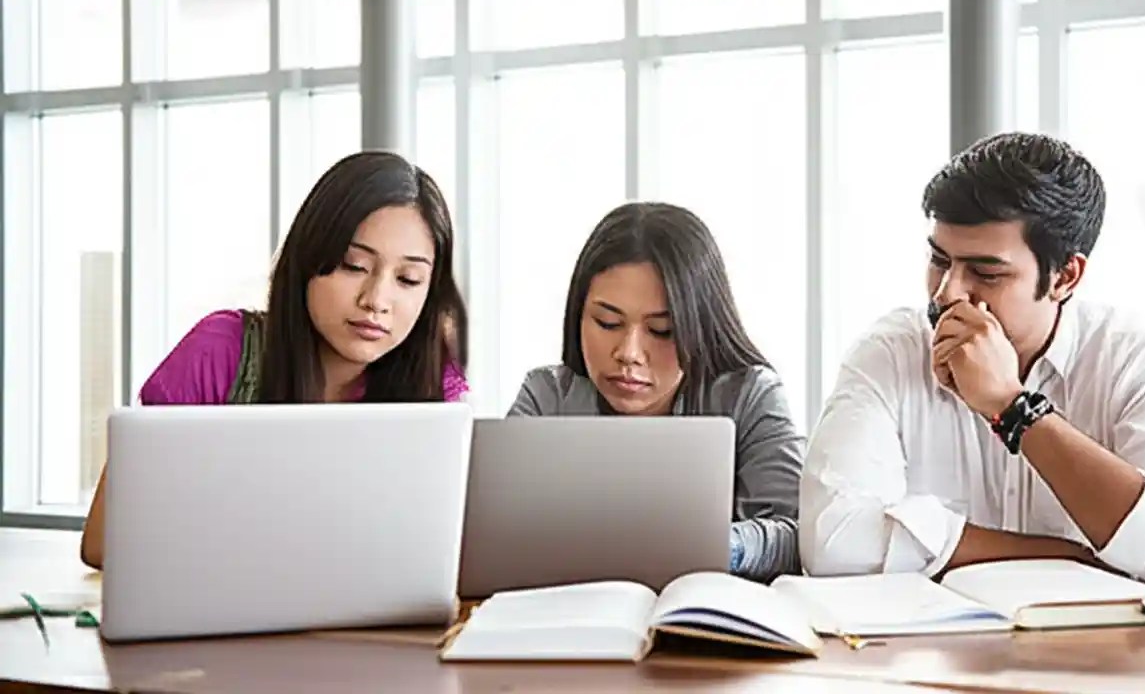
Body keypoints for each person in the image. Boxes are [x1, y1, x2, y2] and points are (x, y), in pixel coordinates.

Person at [800, 132, 1145, 605]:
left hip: (1100, 671)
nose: (947, 293)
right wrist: (1070, 556)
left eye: (986, 273)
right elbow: (833, 543)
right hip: (935, 668)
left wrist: (1014, 408)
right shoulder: (890, 352)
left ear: (1065, 277)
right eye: (939, 259)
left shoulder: (1137, 361)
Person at [80, 151, 470, 569]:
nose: (376, 300)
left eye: (408, 279)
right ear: (306, 259)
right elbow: (104, 542)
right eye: (353, 266)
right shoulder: (222, 350)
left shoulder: (437, 387)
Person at [509, 202, 804, 582]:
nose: (629, 353)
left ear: (700, 325)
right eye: (608, 322)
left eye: (662, 330)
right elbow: (497, 530)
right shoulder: (546, 398)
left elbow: (795, 535)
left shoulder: (749, 396)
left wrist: (710, 547)